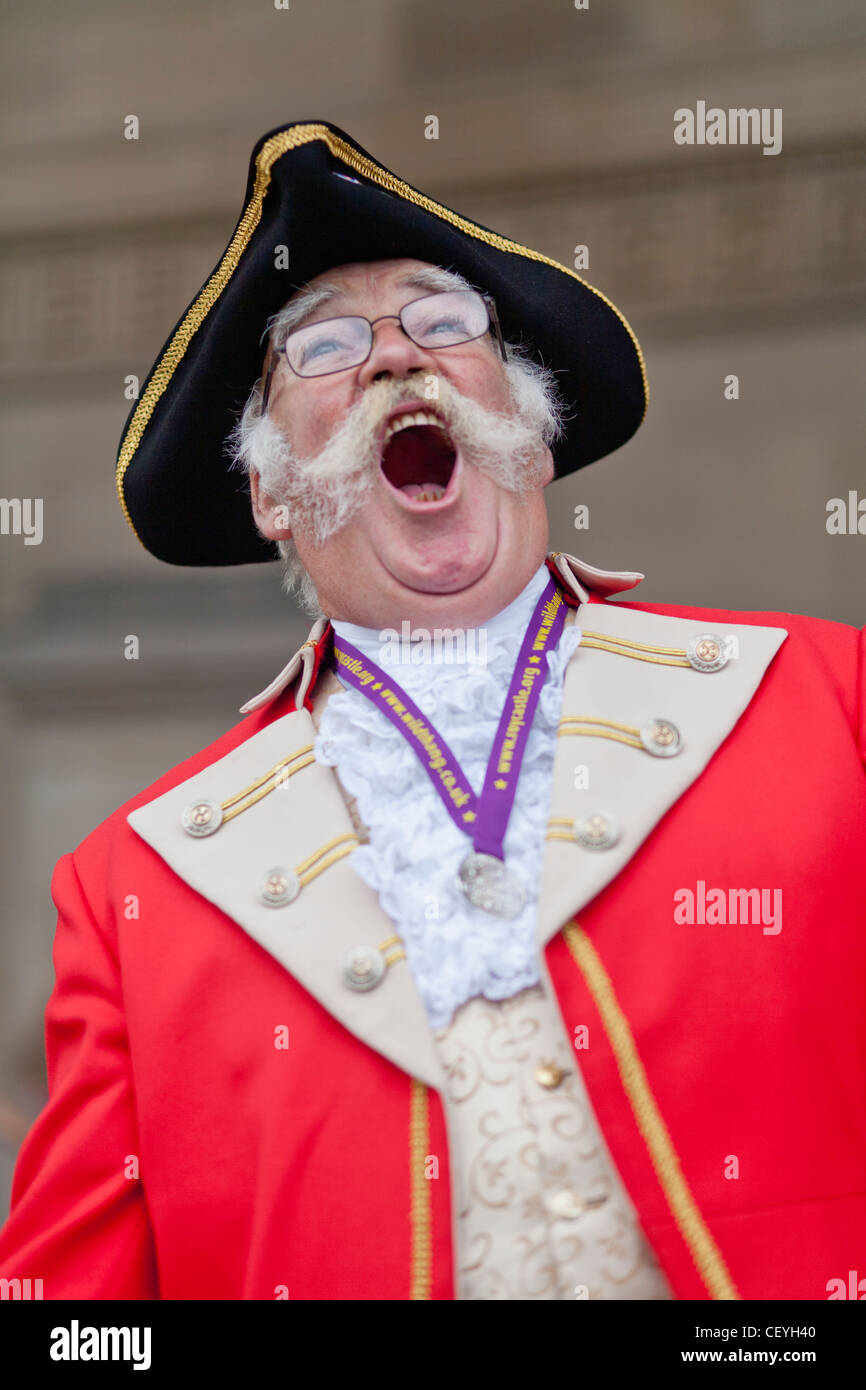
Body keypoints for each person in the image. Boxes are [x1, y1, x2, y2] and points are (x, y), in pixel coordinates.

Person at [0, 120, 863, 1302]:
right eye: (325, 344)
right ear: (267, 491)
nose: (396, 356)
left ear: (533, 432)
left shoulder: (828, 701)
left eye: (444, 322)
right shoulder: (130, 891)